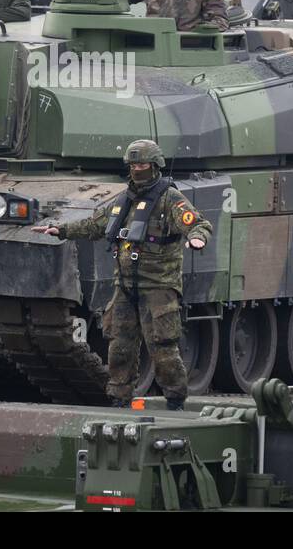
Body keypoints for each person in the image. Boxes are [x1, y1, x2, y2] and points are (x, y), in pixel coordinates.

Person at [31, 139, 211, 410]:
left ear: (155, 165)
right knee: (120, 346)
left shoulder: (169, 198)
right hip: (126, 286)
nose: (137, 169)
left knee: (162, 347)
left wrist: (197, 238)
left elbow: (197, 223)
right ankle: (119, 397)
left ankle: (175, 399)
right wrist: (61, 230)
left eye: (142, 164)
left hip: (159, 286)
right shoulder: (124, 199)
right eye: (133, 164)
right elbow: (95, 225)